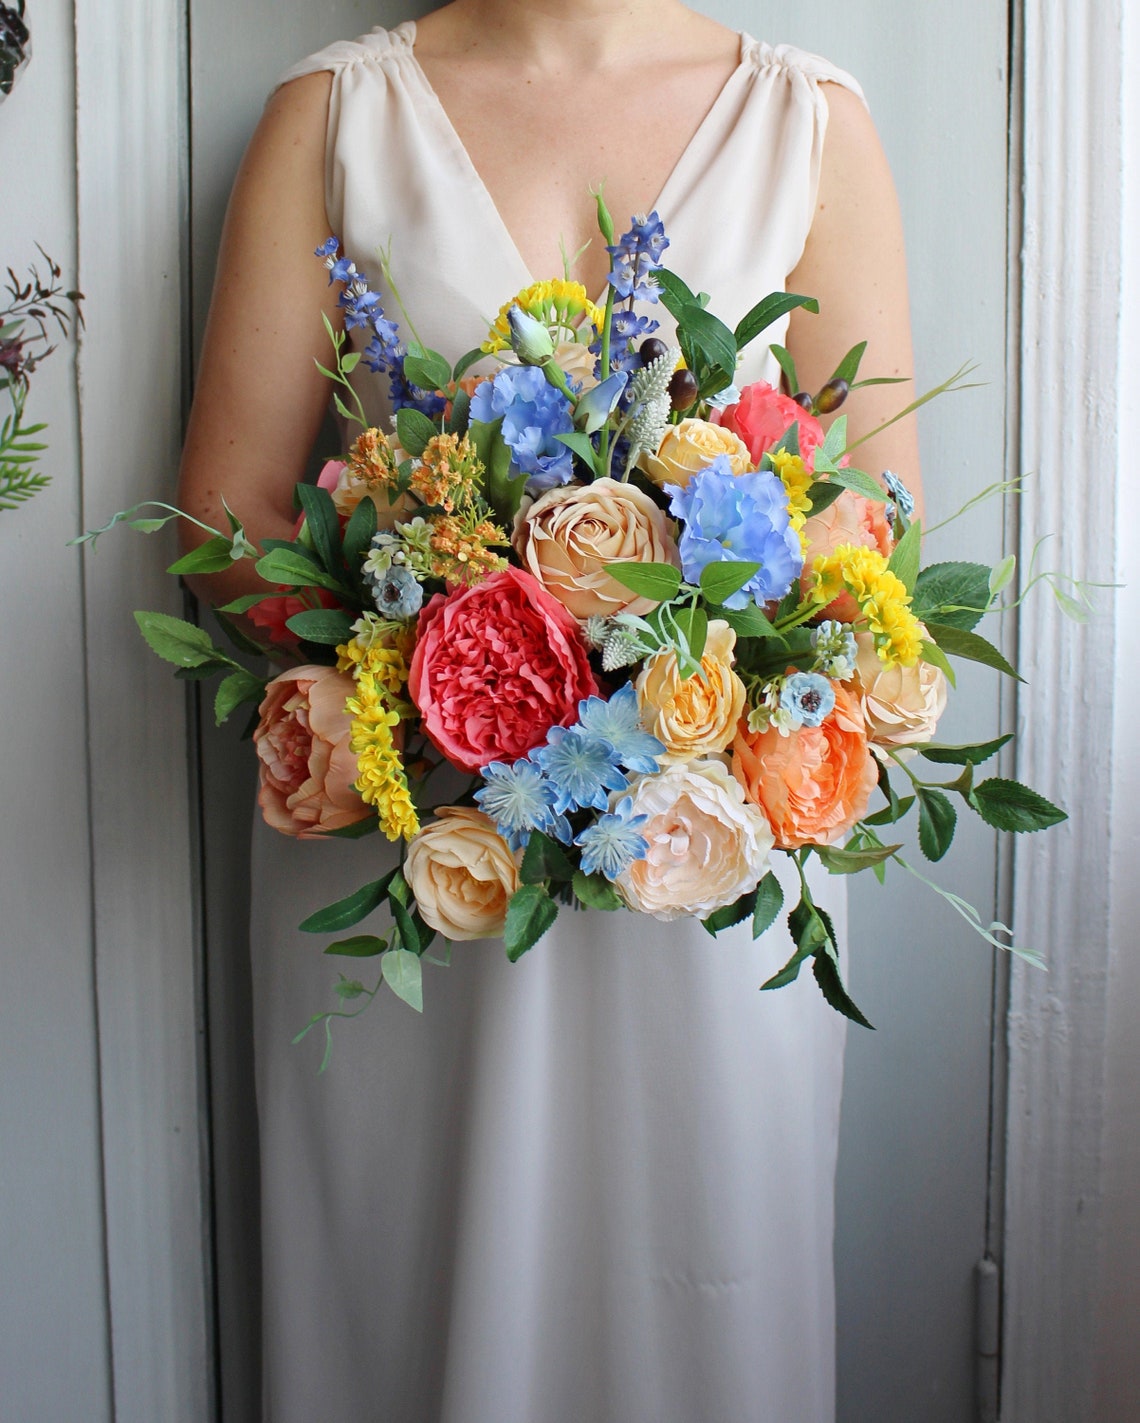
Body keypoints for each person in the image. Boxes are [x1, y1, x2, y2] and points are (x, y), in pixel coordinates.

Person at [177, 3, 920, 1419]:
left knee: (703, 1290)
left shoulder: (809, 120)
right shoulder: (332, 118)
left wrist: (675, 684)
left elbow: (881, 513)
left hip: (701, 864)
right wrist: (429, 676)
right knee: (413, 1301)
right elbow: (226, 520)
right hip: (421, 871)